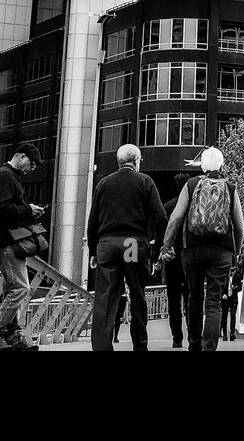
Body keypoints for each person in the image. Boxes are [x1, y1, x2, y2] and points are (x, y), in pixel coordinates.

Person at [160, 147, 243, 352]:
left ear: (203, 166)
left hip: (192, 249)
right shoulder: (230, 188)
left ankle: (194, 344)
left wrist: (167, 244)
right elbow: (239, 224)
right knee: (213, 300)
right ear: (221, 165)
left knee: (194, 297)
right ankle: (209, 347)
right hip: (221, 250)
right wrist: (236, 250)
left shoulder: (191, 185)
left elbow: (176, 217)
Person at [87, 143, 166, 352]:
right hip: (131, 243)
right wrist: (157, 248)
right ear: (137, 160)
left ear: (118, 162)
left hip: (107, 244)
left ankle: (102, 347)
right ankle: (140, 345)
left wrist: (94, 250)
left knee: (105, 297)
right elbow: (160, 218)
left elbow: (93, 221)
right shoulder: (145, 182)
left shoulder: (103, 184)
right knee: (136, 292)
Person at [0, 143, 45, 351]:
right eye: (32, 163)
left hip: (11, 243)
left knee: (13, 288)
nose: (32, 168)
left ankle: (13, 336)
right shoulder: (5, 176)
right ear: (21, 157)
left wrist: (28, 211)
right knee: (21, 288)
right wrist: (28, 209)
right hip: (7, 242)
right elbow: (1, 209)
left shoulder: (9, 177)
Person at [161, 173, 192, 348]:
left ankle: (176, 337)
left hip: (172, 257)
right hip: (189, 256)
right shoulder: (193, 206)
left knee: (173, 300)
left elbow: (162, 232)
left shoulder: (168, 206)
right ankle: (193, 333)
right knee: (192, 297)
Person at [220, 266, 240, 342]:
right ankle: (224, 333)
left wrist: (236, 287)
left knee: (233, 315)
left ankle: (232, 333)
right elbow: (221, 286)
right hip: (225, 299)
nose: (232, 272)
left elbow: (240, 287)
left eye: (233, 270)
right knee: (224, 316)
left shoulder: (237, 277)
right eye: (231, 270)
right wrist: (223, 294)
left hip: (233, 298)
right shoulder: (224, 277)